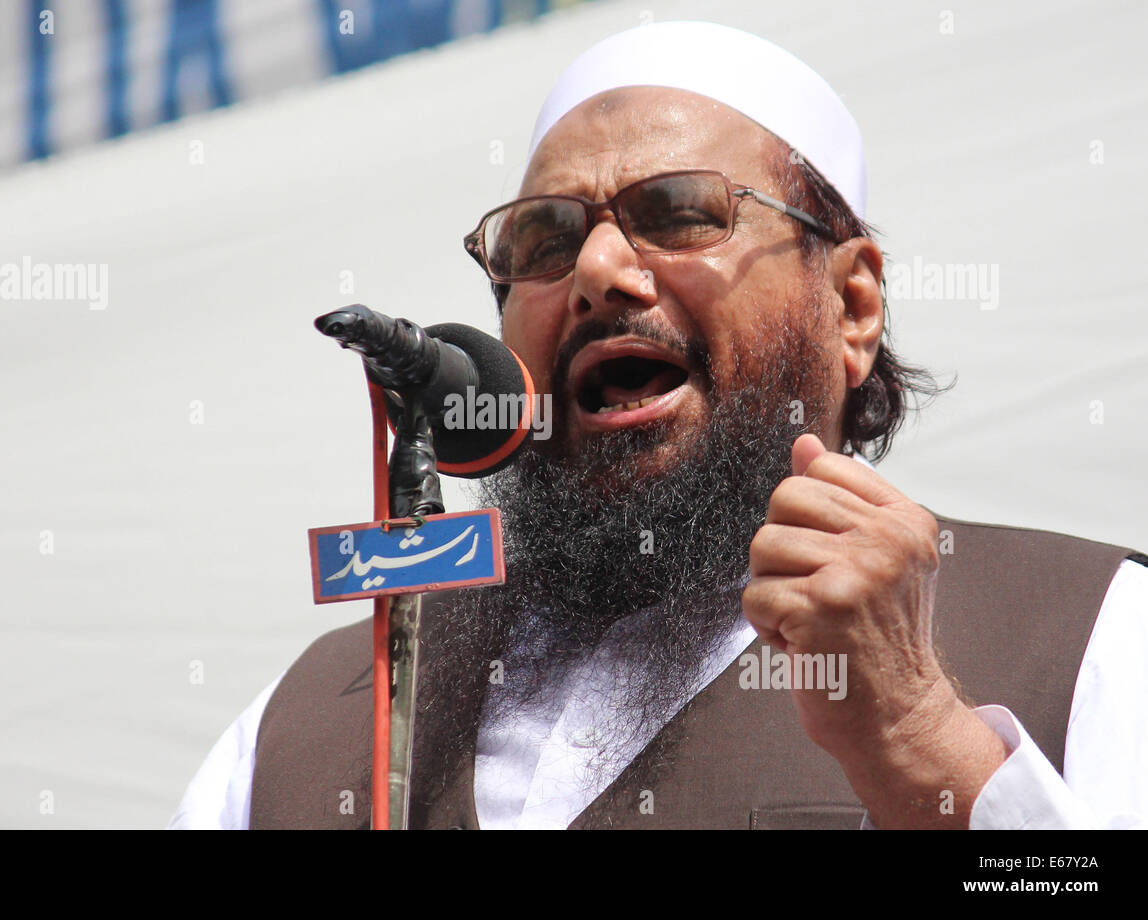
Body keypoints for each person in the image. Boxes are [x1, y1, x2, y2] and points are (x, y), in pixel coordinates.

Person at [170, 21, 1148, 830]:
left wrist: (920, 735)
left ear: (850, 306)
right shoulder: (296, 728)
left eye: (678, 212)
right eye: (545, 238)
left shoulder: (1087, 631)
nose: (596, 269)